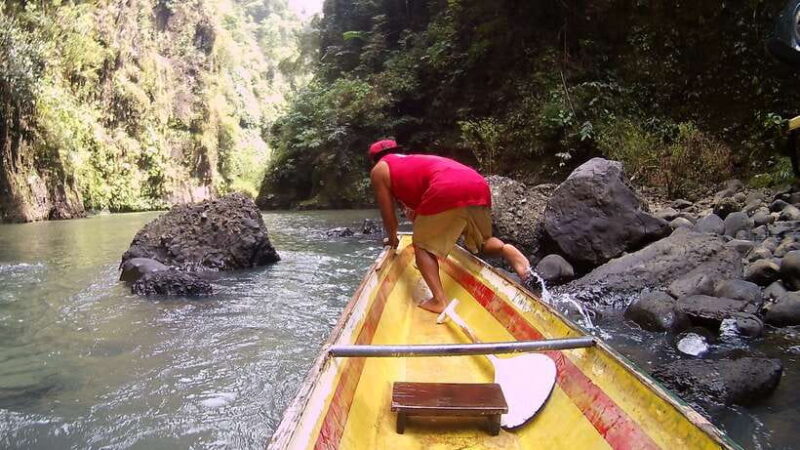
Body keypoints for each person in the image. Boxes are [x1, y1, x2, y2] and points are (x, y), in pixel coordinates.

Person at [368, 138, 532, 314]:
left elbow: (388, 215)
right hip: (477, 184)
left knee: (422, 246)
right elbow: (425, 211)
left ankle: (439, 301)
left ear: (374, 160)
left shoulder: (380, 169)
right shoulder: (412, 162)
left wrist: (392, 239)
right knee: (482, 242)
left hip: (446, 188)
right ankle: (507, 250)